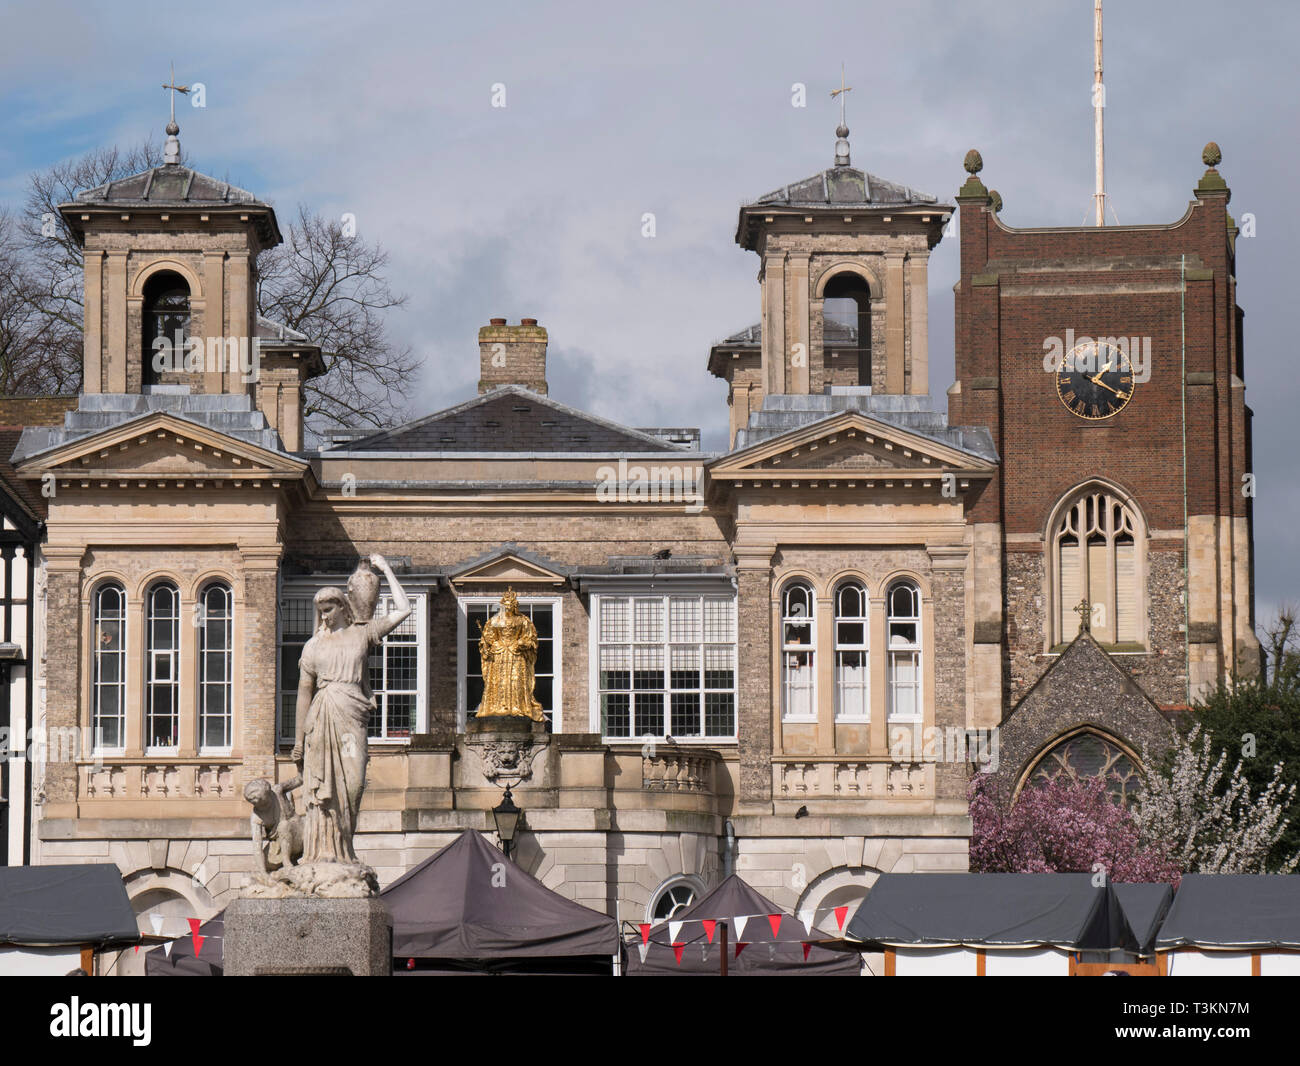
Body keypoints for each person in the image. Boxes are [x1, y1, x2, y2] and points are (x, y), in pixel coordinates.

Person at [290, 554, 410, 864]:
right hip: (322, 716)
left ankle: (345, 850)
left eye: (329, 609)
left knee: (354, 784)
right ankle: (323, 854)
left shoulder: (362, 633)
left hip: (352, 714)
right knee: (321, 789)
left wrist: (387, 570)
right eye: (321, 611)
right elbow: (304, 693)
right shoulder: (313, 646)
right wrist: (298, 740)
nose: (325, 616)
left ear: (343, 607)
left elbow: (404, 609)